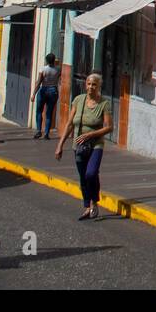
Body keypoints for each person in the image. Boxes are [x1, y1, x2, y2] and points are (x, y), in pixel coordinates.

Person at [56, 73, 112, 220]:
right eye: (88, 84)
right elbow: (69, 124)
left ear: (99, 86)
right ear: (85, 85)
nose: (91, 87)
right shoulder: (78, 100)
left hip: (96, 144)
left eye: (94, 84)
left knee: (91, 173)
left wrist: (90, 135)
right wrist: (60, 145)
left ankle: (95, 201)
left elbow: (109, 127)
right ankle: (87, 206)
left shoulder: (104, 104)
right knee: (83, 177)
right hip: (79, 145)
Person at [33, 54, 61, 140]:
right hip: (53, 91)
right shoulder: (58, 69)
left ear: (46, 60)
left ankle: (38, 131)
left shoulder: (43, 69)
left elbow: (39, 82)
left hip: (44, 90)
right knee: (49, 112)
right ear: (53, 60)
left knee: (39, 111)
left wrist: (34, 94)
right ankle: (46, 133)